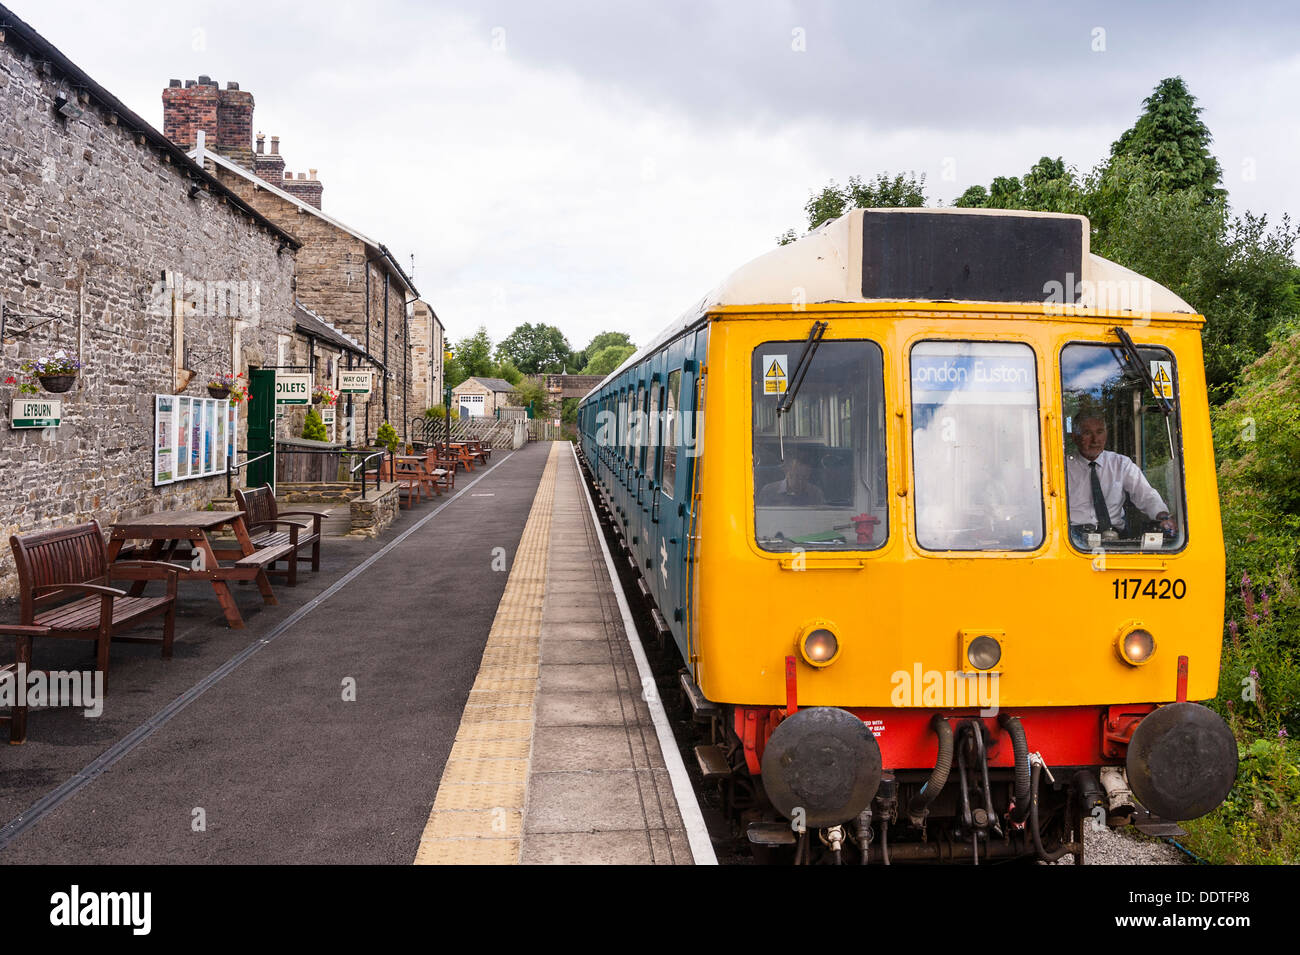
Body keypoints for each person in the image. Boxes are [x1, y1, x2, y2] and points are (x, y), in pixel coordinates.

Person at [1066, 414, 1175, 536]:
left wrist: (1163, 516)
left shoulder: (1121, 463)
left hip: (1115, 535)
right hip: (1073, 538)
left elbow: (1145, 494)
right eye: (1087, 433)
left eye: (1100, 432)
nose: (1095, 440)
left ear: (1106, 434)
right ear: (1075, 437)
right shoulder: (1062, 468)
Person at [757, 450, 825, 506]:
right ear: (786, 472)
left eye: (804, 477)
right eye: (797, 476)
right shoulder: (769, 491)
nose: (800, 482)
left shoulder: (815, 494)